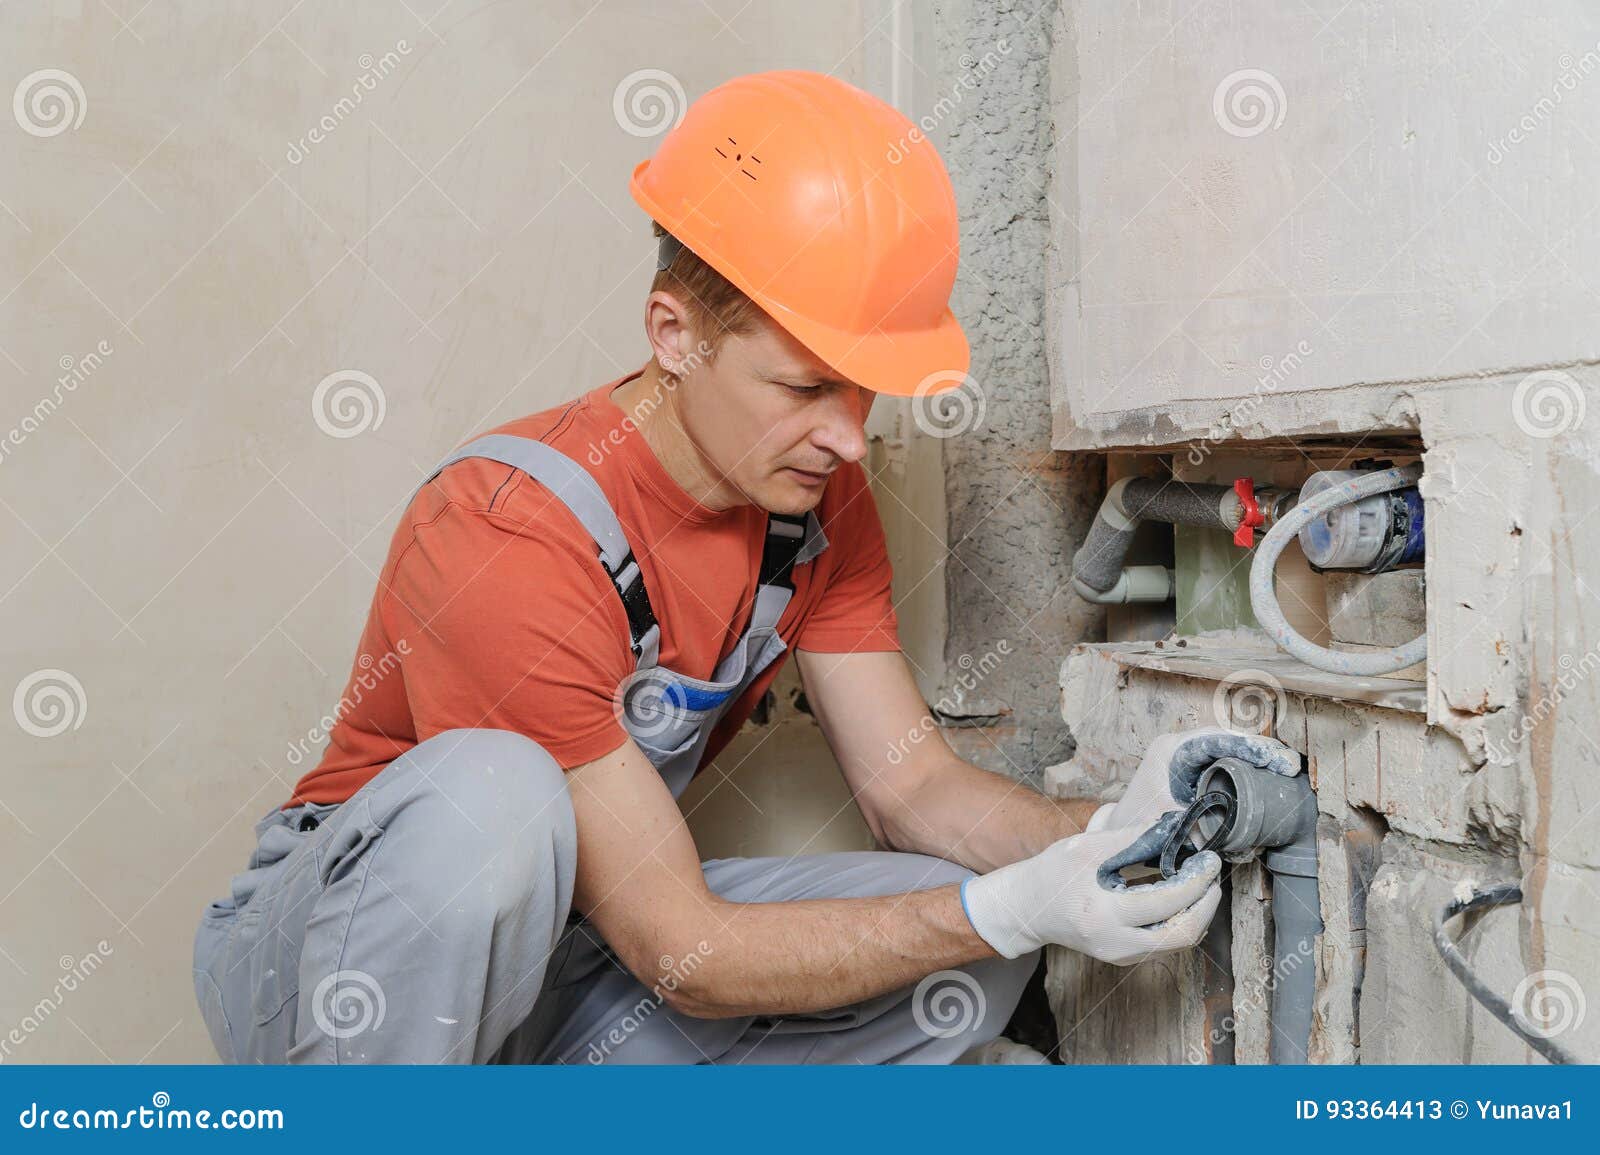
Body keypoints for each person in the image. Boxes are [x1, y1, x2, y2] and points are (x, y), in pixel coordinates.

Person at [192, 70, 1296, 1065]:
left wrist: (1102, 831)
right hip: (342, 966)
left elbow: (910, 786)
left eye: (862, 391)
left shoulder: (809, 497)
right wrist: (1009, 909)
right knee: (499, 797)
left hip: (574, 948)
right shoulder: (504, 533)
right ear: (675, 334)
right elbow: (683, 944)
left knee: (956, 923)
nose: (850, 437)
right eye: (806, 387)